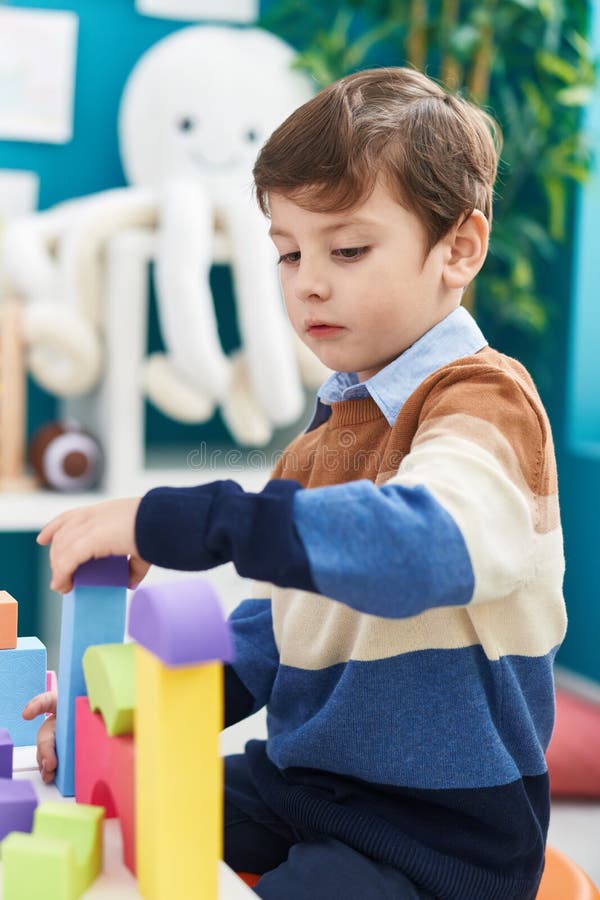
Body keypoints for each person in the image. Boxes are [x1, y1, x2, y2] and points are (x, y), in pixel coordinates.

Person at [24, 67, 566, 900]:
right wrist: (114, 723)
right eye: (287, 252)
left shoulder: (485, 403)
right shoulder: (322, 439)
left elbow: (419, 542)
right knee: (124, 817)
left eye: (347, 249)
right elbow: (271, 639)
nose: (308, 280)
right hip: (303, 786)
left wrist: (177, 519)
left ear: (458, 248)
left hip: (440, 833)